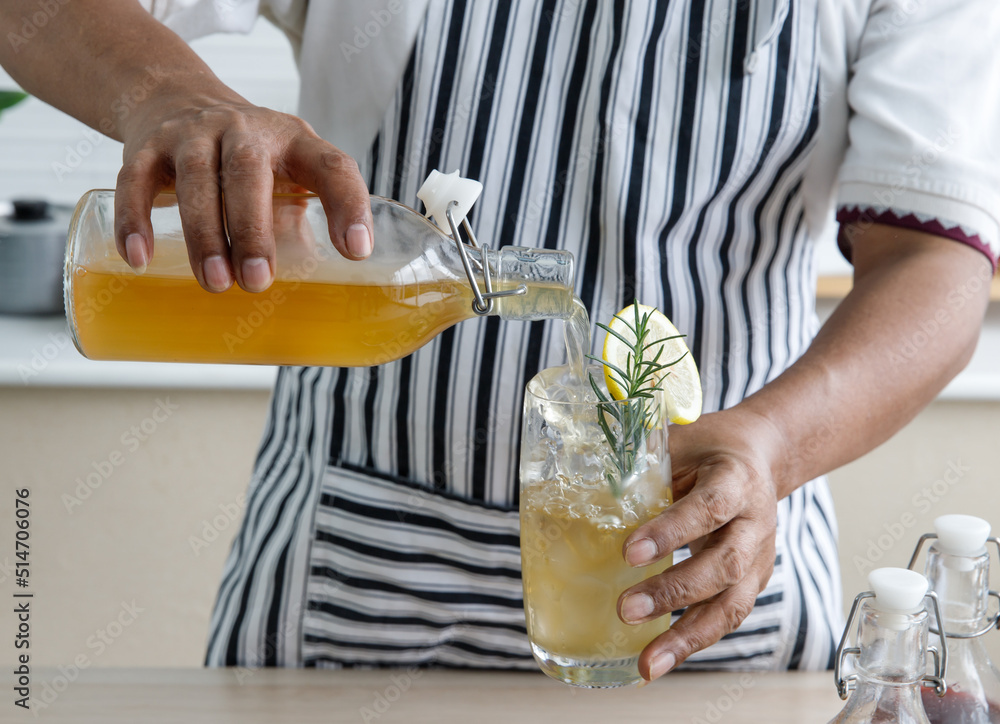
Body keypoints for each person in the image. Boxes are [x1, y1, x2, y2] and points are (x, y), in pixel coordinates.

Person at [3, 0, 997, 677]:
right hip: (355, 588)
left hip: (706, 606)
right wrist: (172, 97)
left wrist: (768, 445)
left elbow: (933, 258)